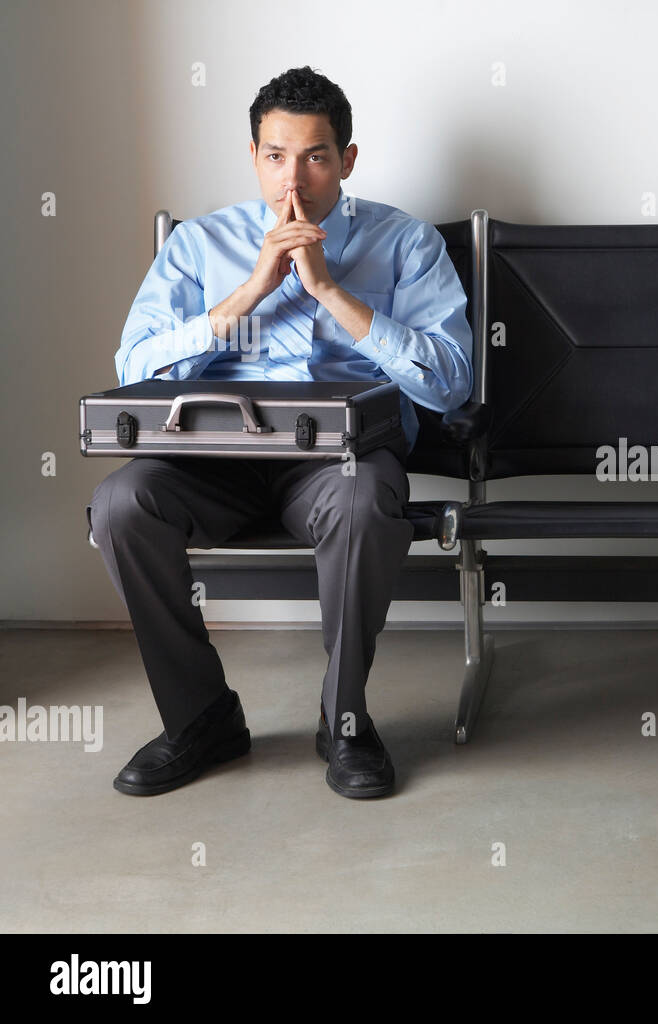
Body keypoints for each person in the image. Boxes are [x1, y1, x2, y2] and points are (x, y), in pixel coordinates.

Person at [90, 66, 473, 799]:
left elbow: (451, 382)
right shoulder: (202, 245)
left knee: (363, 502)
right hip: (214, 462)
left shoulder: (407, 244)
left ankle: (345, 719)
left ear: (347, 160)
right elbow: (133, 367)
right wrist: (247, 292)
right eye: (275, 155)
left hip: (340, 462)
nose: (291, 177)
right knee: (120, 504)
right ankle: (200, 718)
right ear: (254, 155)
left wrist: (332, 289)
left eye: (315, 156)